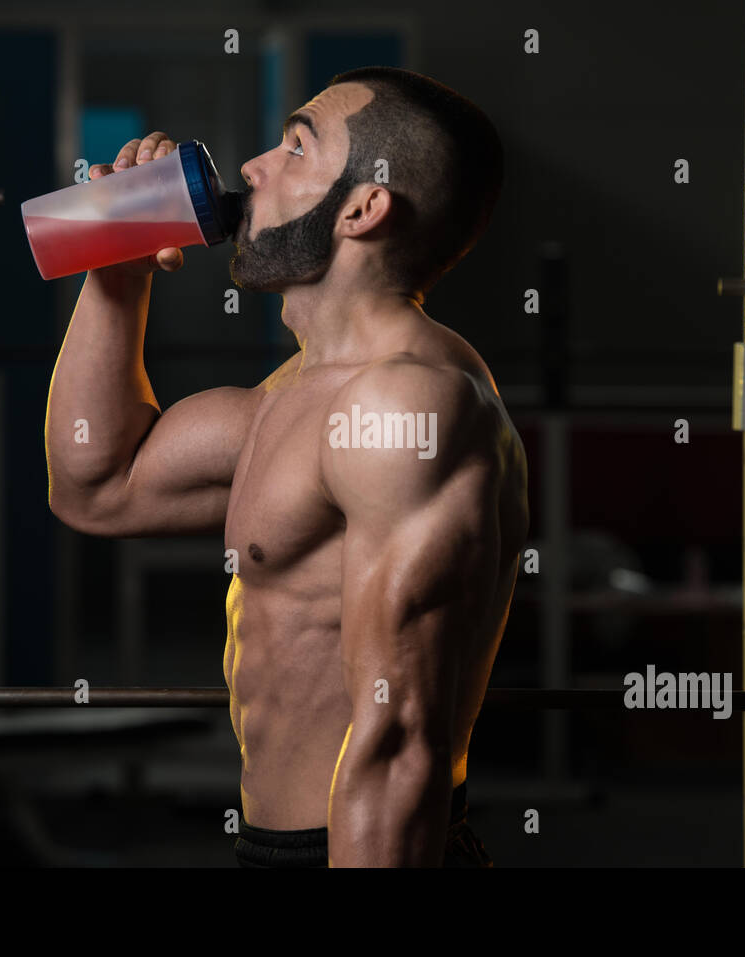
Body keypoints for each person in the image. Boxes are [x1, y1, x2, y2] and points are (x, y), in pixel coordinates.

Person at [45, 66, 527, 867]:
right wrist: (116, 274)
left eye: (295, 148)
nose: (253, 168)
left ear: (364, 207)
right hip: (282, 845)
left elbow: (398, 739)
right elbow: (97, 485)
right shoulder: (296, 392)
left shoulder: (404, 405)